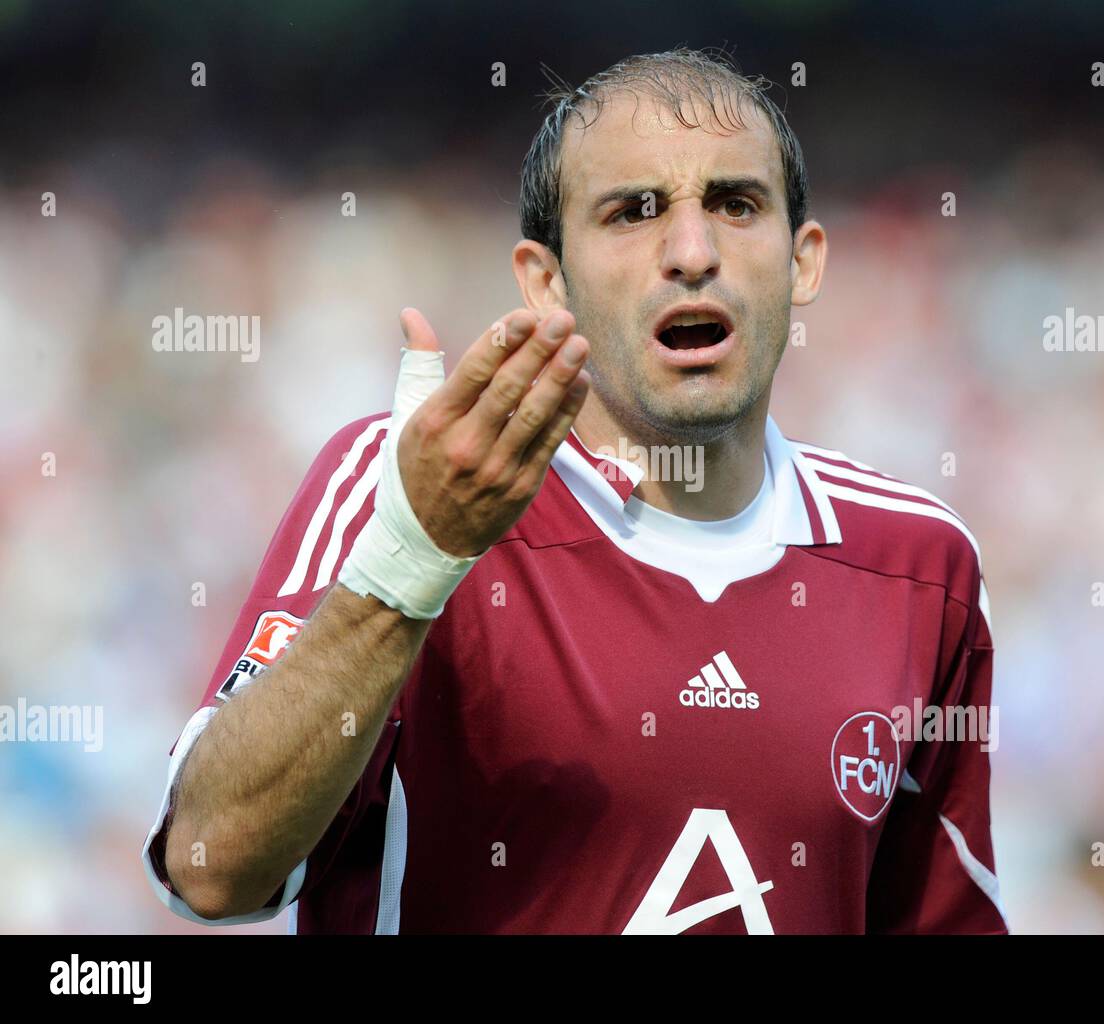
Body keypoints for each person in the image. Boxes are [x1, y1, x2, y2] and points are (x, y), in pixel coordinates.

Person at [142, 47, 1006, 934]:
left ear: (805, 260)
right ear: (546, 281)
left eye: (736, 204)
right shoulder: (408, 487)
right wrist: (413, 563)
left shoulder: (918, 563)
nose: (693, 252)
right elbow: (210, 867)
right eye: (633, 211)